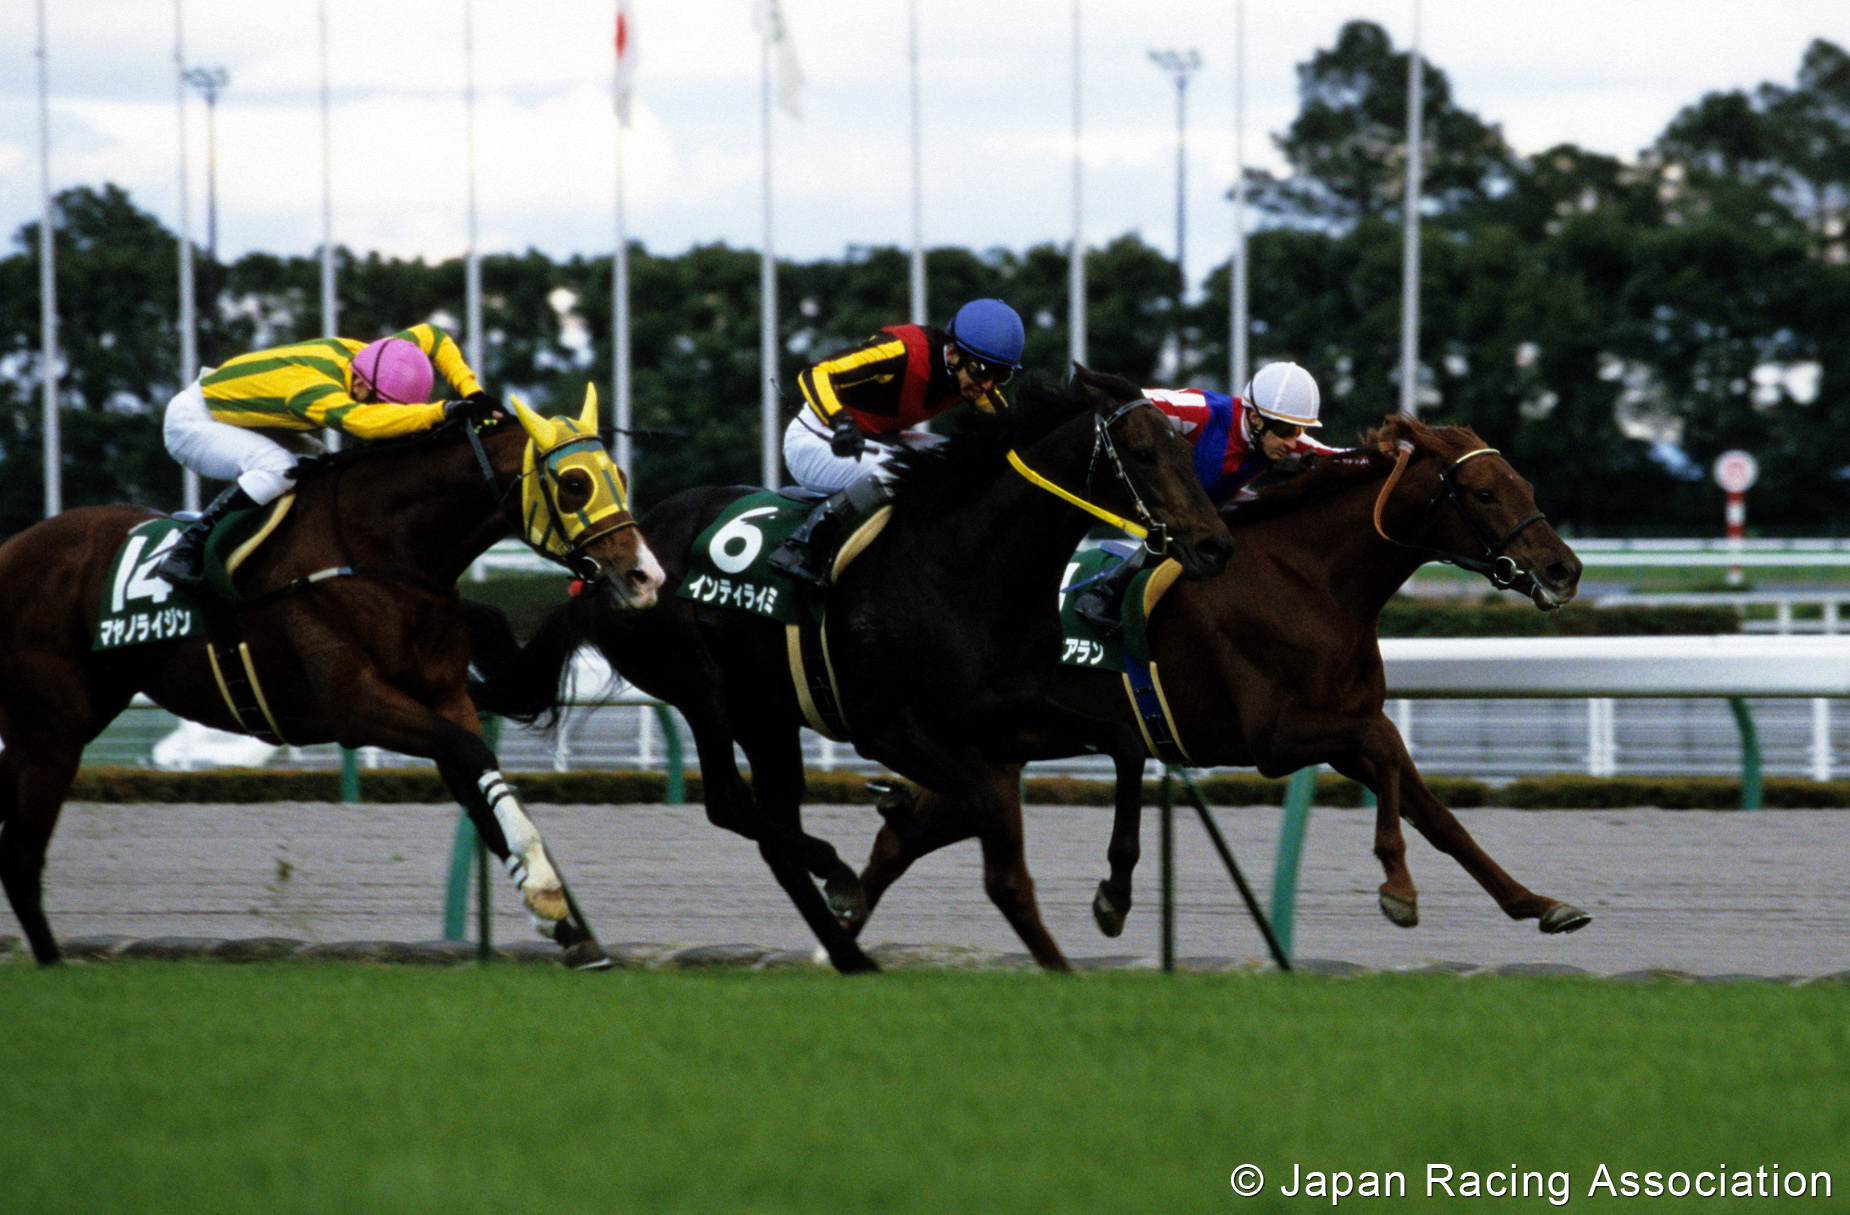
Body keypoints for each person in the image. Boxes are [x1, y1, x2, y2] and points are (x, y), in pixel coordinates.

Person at [157, 324, 500, 587]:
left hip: (247, 415)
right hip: (194, 422)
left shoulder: (373, 357)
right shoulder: (314, 389)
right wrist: (445, 410)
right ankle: (189, 547)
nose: (384, 411)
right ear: (363, 387)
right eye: (383, 404)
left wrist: (472, 391)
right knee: (278, 469)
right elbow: (364, 423)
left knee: (324, 469)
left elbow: (433, 336)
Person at [765, 298, 1025, 586]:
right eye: (980, 370)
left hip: (876, 440)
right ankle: (802, 545)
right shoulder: (902, 350)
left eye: (1000, 375)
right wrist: (840, 421)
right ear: (952, 354)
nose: (987, 385)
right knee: (906, 471)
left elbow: (1009, 432)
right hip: (817, 439)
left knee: (956, 459)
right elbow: (816, 374)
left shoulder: (975, 382)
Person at [1071, 360, 1337, 633]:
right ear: (1256, 418)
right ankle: (1103, 594)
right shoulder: (1200, 412)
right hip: (1157, 514)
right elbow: (1130, 403)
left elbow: (1346, 460)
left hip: (1204, 516)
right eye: (1284, 430)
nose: (1293, 443)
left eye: (1299, 431)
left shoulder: (1279, 441)